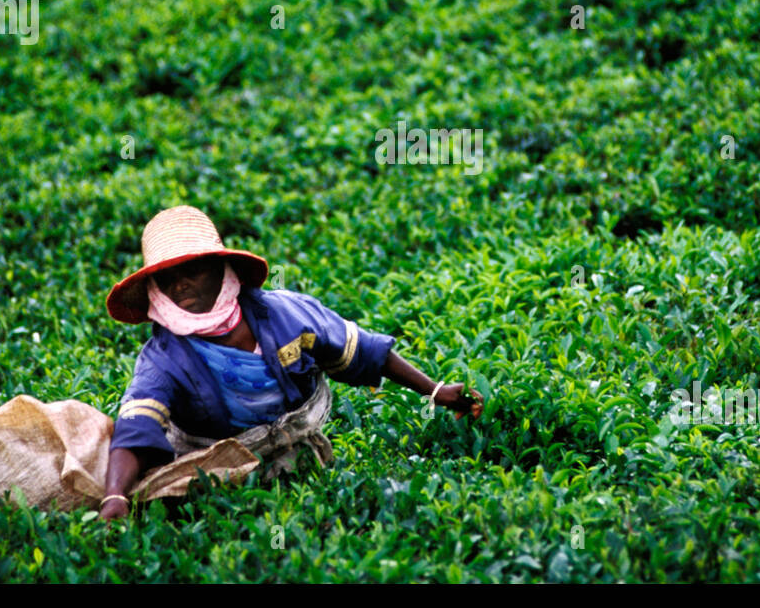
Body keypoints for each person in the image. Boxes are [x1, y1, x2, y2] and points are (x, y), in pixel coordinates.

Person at [99, 205, 483, 522]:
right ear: (155, 289)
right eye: (167, 277)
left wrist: (436, 391)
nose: (180, 284)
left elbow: (361, 350)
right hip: (211, 463)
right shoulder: (164, 358)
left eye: (193, 270)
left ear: (222, 269)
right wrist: (114, 496)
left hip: (291, 446)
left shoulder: (285, 317)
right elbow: (138, 425)